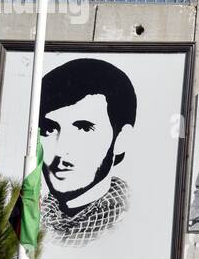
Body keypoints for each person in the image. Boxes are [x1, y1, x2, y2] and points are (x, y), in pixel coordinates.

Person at [38, 57, 137, 247]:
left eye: (84, 129)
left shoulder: (125, 219)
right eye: (49, 130)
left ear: (121, 140)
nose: (62, 151)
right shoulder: (38, 215)